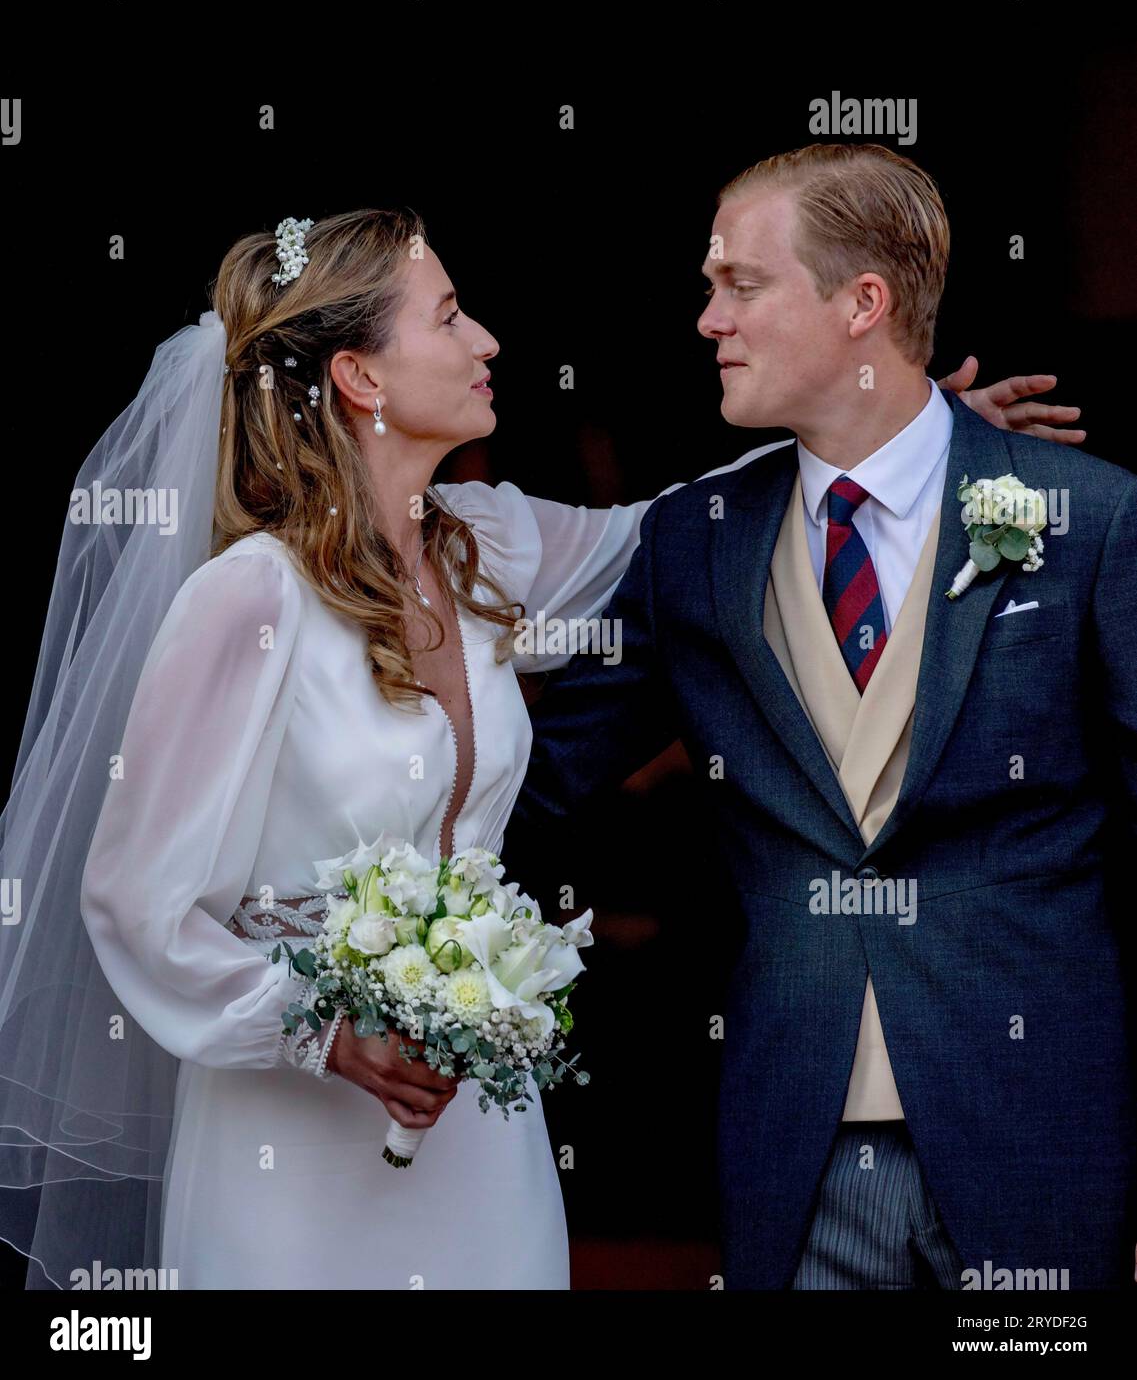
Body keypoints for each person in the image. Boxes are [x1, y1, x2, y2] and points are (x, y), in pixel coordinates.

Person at [0, 203, 1078, 1291]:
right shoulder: (250, 599)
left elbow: (683, 523)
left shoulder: (487, 547)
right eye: (452, 317)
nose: (488, 343)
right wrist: (325, 1033)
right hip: (292, 1133)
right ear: (361, 380)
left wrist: (906, 430)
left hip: (481, 1131)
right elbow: (134, 899)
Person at [512, 144, 1137, 1291]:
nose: (708, 319)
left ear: (865, 304)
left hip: (1039, 1138)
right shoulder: (693, 542)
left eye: (741, 285)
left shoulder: (1089, 522)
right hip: (794, 1148)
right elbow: (534, 787)